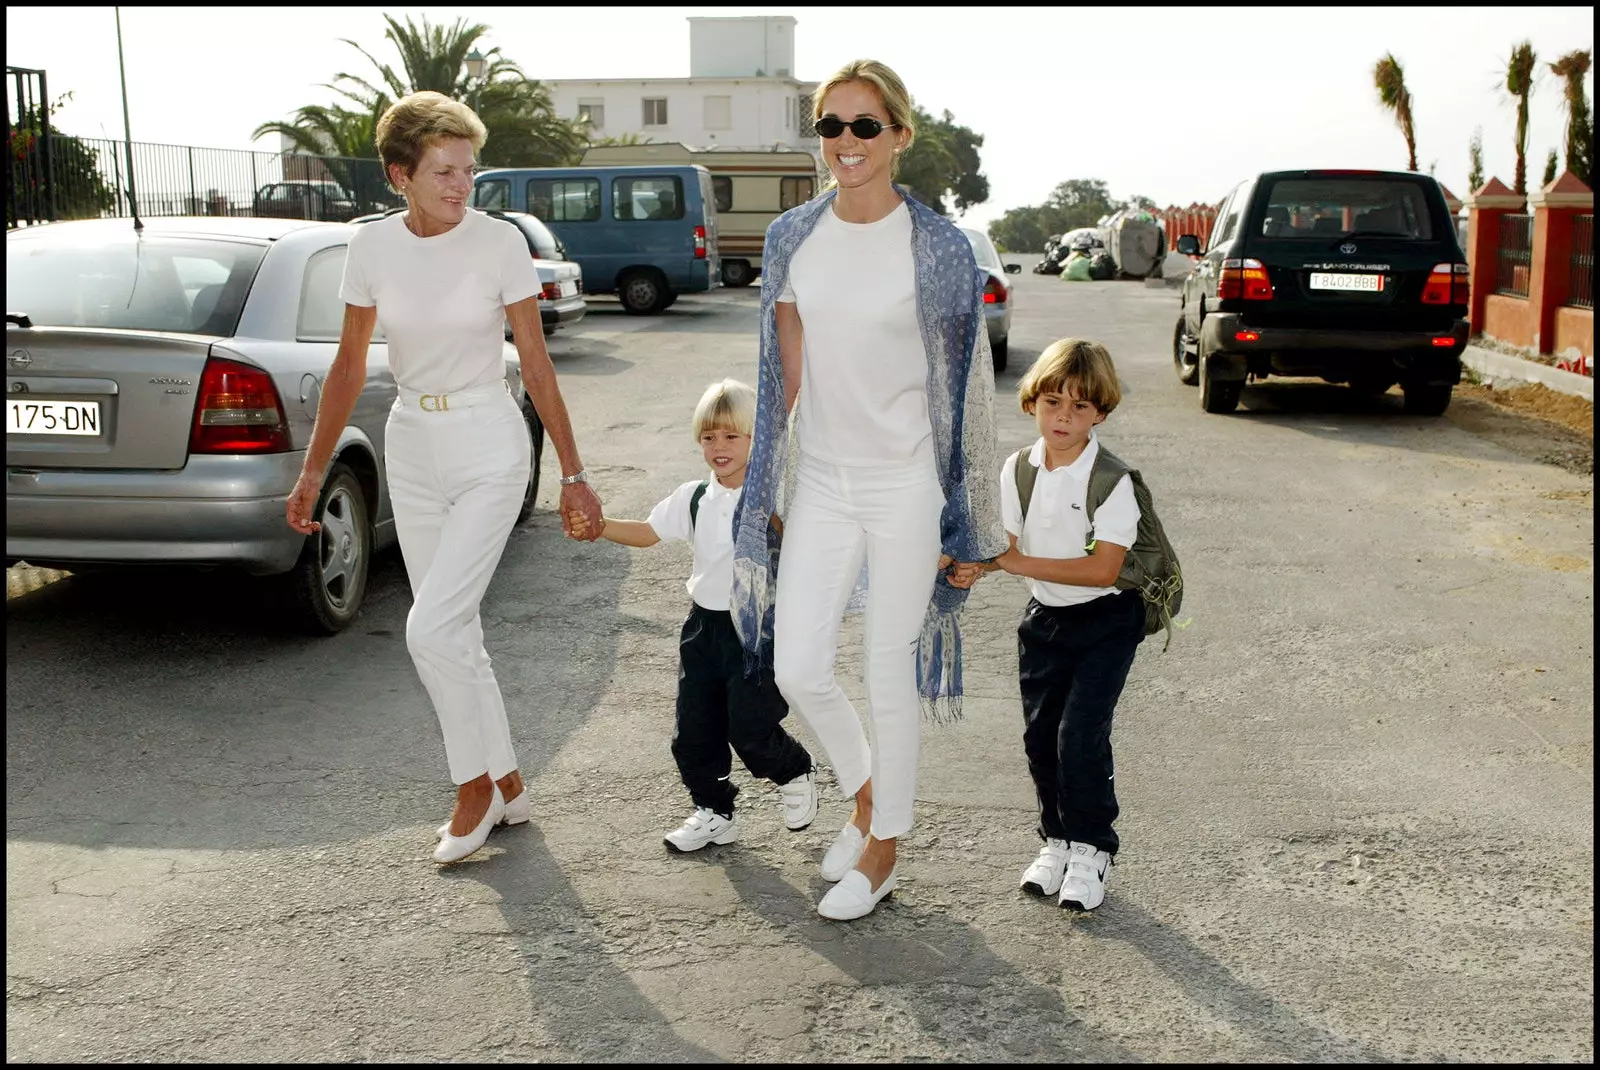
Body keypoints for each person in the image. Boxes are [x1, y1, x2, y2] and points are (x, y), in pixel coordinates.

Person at [285, 91, 603, 866]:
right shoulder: (371, 248)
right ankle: (509, 782)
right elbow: (350, 363)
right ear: (400, 174)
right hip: (412, 445)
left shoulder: (497, 245)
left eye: (470, 169)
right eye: (445, 171)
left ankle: (473, 791)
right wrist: (312, 470)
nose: (463, 185)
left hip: (490, 443)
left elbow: (534, 360)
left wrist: (573, 471)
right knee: (455, 633)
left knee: (428, 627)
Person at [729, 59, 1007, 922]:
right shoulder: (791, 239)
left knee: (888, 668)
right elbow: (784, 373)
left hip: (904, 483)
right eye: (831, 126)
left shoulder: (938, 246)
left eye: (864, 126)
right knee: (798, 665)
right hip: (821, 479)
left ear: (898, 136)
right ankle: (864, 794)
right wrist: (768, 478)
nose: (845, 143)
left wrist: (970, 520)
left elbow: (967, 387)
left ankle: (885, 847)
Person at [568, 379, 818, 852]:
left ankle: (794, 770)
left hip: (756, 630)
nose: (718, 447)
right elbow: (647, 532)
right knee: (693, 728)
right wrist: (598, 527)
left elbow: (807, 550)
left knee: (749, 725)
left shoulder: (776, 499)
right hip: (703, 628)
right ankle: (713, 810)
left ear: (757, 439)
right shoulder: (695, 497)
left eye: (731, 436)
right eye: (709, 437)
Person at [981, 338, 1146, 912]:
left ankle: (1093, 849)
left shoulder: (1111, 480)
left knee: (1079, 737)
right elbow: (1000, 547)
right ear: (1032, 404)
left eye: (1080, 407)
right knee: (1040, 737)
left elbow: (1105, 569)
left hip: (1107, 621)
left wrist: (1013, 563)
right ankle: (1056, 839)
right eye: (1053, 402)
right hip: (1045, 620)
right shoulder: (1018, 469)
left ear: (1100, 412)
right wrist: (966, 567)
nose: (1064, 417)